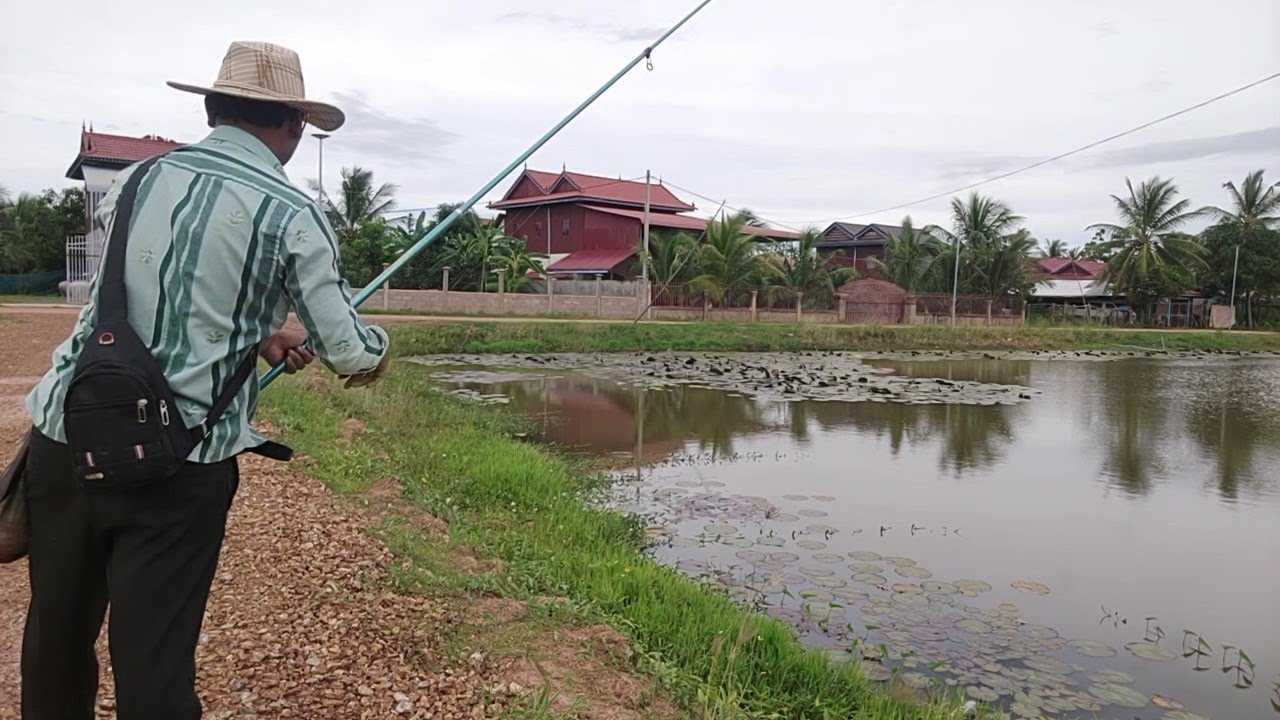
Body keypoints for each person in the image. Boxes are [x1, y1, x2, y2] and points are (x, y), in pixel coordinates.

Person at [21, 41, 389, 720]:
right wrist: (376, 348)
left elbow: (154, 292)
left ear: (214, 108)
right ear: (292, 124)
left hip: (66, 434)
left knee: (55, 636)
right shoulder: (292, 212)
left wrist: (259, 334)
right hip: (176, 461)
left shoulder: (138, 179)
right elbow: (348, 351)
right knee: (154, 663)